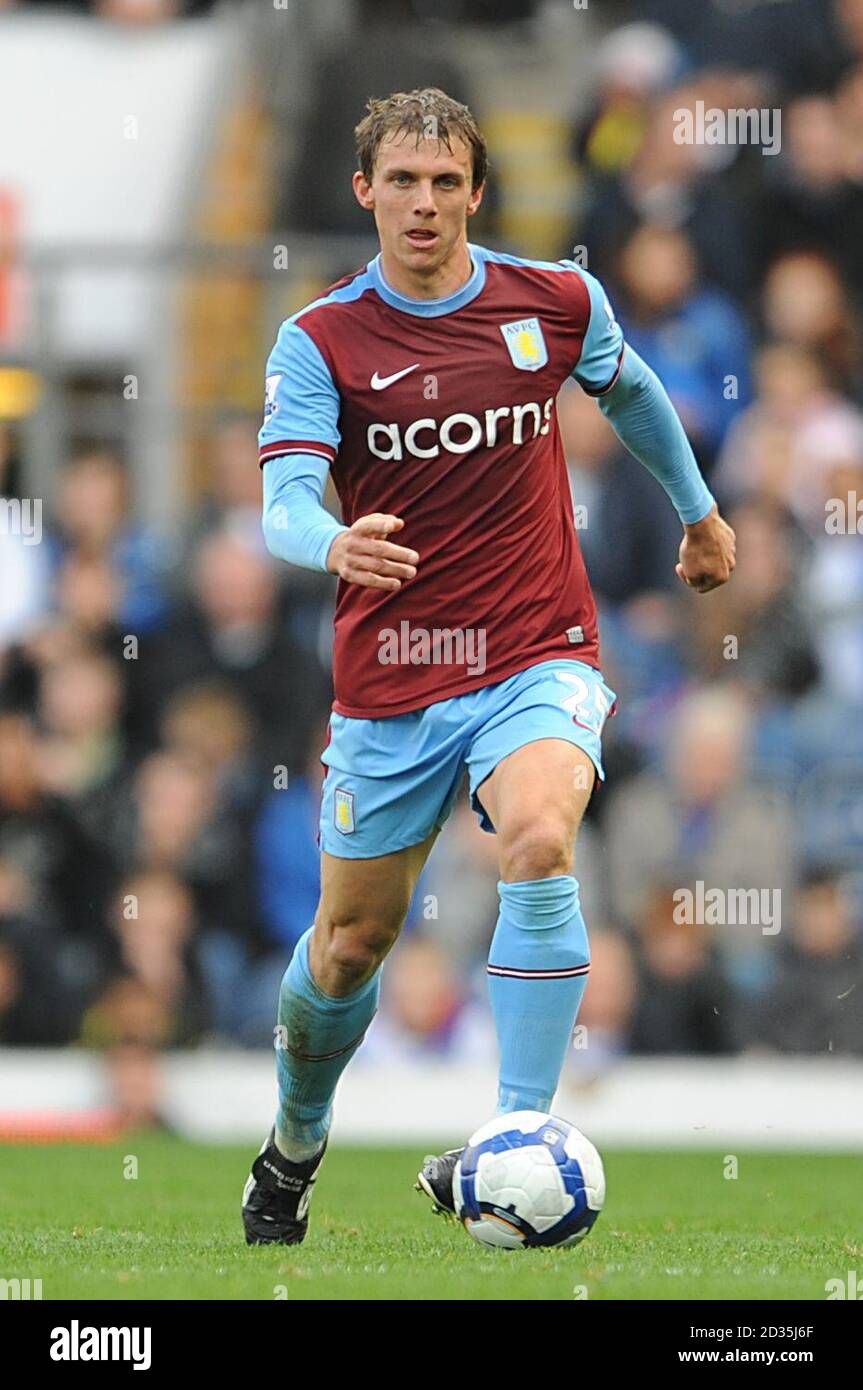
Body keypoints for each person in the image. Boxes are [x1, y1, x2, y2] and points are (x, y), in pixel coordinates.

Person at [242, 87, 736, 1245]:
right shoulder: (319, 338)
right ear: (364, 191)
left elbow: (632, 391)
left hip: (533, 647)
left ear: (476, 189)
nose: (424, 204)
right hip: (396, 676)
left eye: (445, 182)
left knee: (539, 836)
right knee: (348, 946)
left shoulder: (553, 301)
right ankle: (293, 1145)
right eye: (401, 182)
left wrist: (700, 512)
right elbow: (278, 503)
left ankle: (513, 1138)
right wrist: (330, 539)